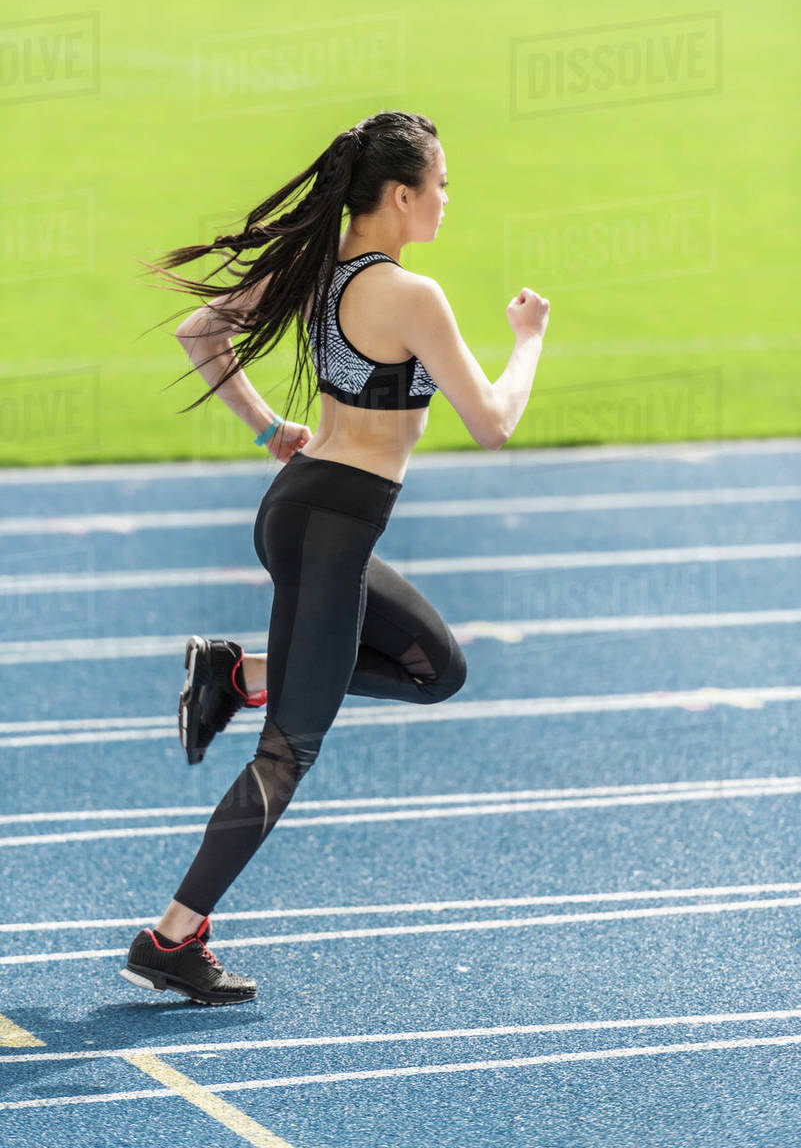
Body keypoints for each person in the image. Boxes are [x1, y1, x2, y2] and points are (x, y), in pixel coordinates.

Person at [121, 109, 550, 1005]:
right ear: (400, 195)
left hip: (304, 509)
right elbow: (493, 424)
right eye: (439, 186)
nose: (444, 201)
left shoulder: (318, 267)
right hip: (333, 526)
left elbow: (198, 334)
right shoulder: (410, 295)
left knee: (437, 669)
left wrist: (271, 430)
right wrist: (527, 340)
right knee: (289, 752)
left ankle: (238, 674)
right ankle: (172, 937)